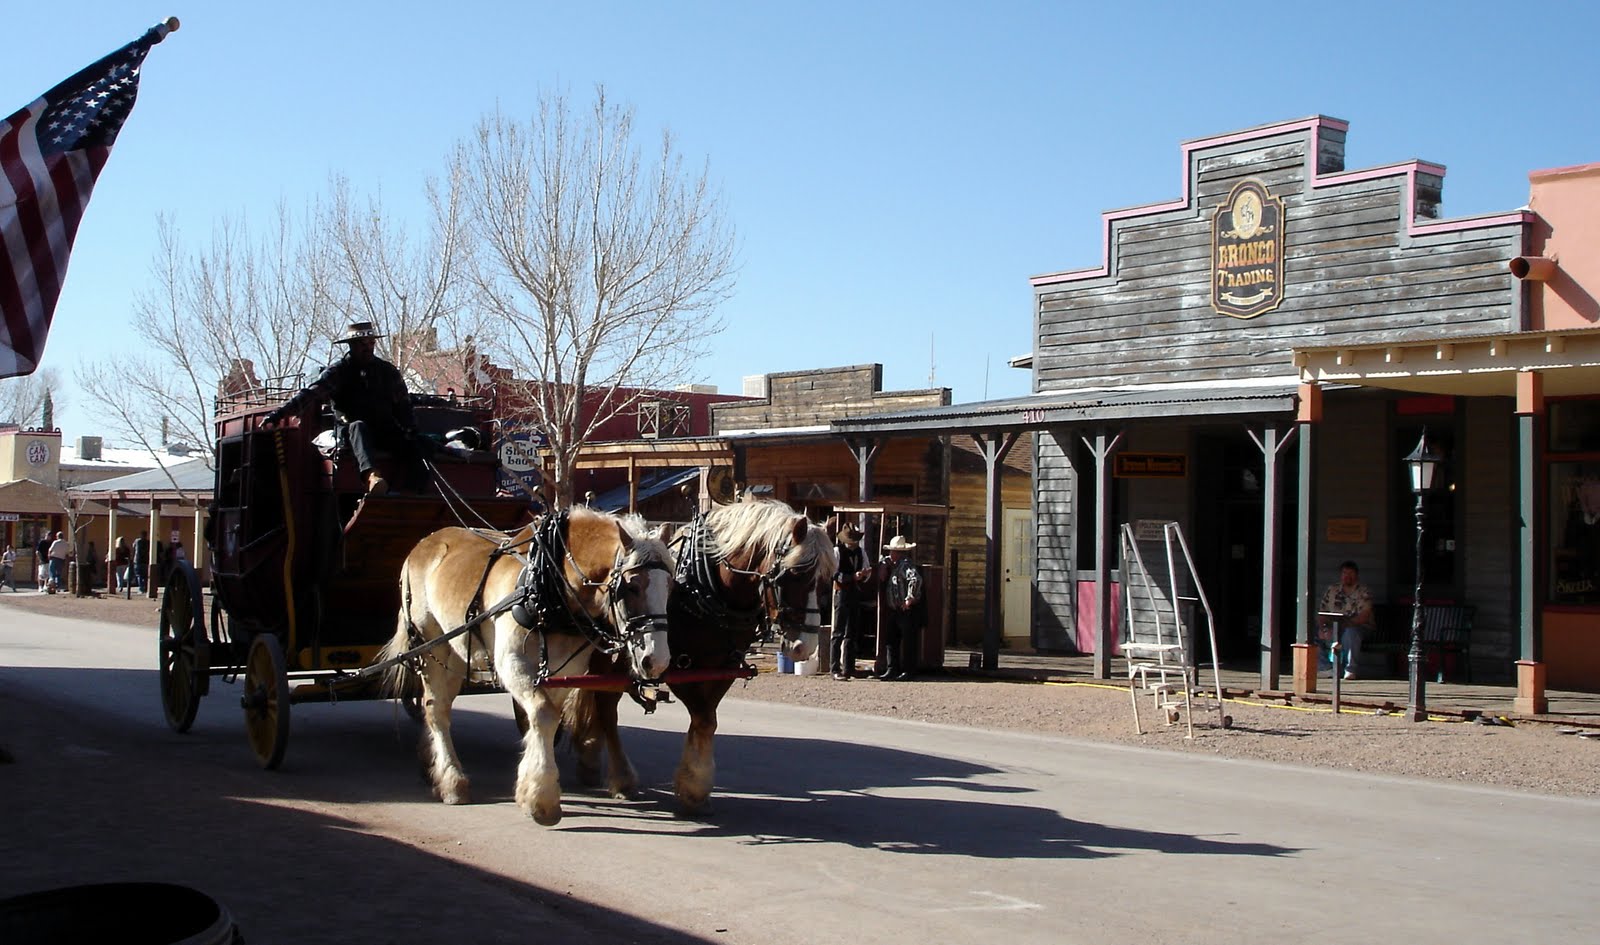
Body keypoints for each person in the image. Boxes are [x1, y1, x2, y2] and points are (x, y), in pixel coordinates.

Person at [262, 321, 419, 495]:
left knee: (412, 443)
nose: (368, 348)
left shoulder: (387, 371)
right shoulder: (339, 371)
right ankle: (372, 477)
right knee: (358, 426)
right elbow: (311, 393)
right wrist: (280, 414)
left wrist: (410, 427)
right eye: (362, 344)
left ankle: (410, 492)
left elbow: (403, 402)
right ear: (351, 346)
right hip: (351, 431)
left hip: (383, 429)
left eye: (371, 343)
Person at [876, 535, 925, 681]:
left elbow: (915, 579)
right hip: (896, 608)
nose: (891, 554)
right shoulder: (894, 565)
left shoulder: (905, 565)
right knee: (892, 639)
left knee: (907, 641)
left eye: (894, 552)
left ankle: (907, 670)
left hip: (904, 610)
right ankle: (893, 669)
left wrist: (909, 598)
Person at [829, 525, 873, 680]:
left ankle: (849, 667)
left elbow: (867, 568)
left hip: (855, 592)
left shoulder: (861, 552)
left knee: (852, 632)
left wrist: (864, 575)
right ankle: (834, 668)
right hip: (841, 592)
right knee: (838, 632)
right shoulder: (837, 551)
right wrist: (852, 577)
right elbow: (834, 573)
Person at [1317, 559, 1374, 680]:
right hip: (1333, 627)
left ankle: (1350, 669)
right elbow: (1322, 612)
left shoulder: (1363, 592)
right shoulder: (1332, 590)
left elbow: (1363, 617)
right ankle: (1326, 668)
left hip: (1358, 628)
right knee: (1313, 634)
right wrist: (1324, 628)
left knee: (1350, 633)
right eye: (1344, 573)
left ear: (1356, 575)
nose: (1347, 576)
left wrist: (1341, 627)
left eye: (1351, 573)